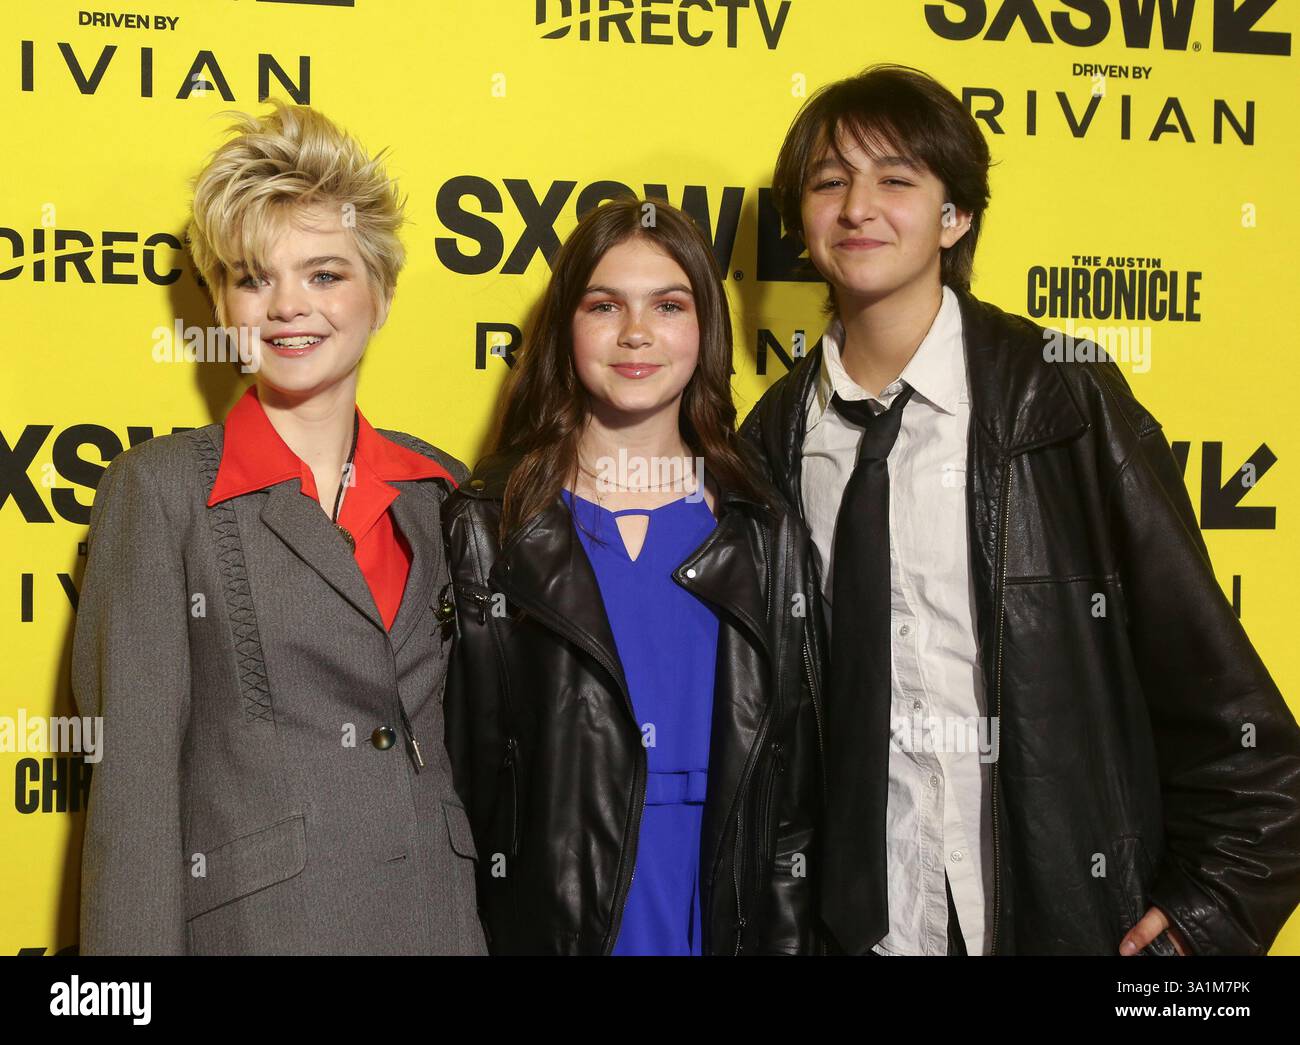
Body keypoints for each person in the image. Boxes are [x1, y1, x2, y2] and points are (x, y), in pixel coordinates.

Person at [741, 63, 1300, 955]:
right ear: (802, 223)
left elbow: (1227, 703)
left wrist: (1205, 919)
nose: (858, 207)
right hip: (860, 929)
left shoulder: (1063, 398)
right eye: (829, 181)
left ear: (953, 216)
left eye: (896, 179)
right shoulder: (770, 440)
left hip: (1061, 919)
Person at [73, 100, 486, 954]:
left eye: (326, 274)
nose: (288, 307)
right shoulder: (159, 492)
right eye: (254, 277)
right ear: (222, 302)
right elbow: (135, 793)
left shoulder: (442, 489)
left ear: (382, 292)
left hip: (440, 925)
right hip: (265, 933)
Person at [443, 196, 823, 955]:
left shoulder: (763, 526)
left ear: (704, 328)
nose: (637, 333)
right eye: (604, 304)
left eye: (669, 305)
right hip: (550, 925)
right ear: (566, 329)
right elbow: (458, 793)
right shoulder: (490, 525)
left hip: (717, 917)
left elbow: (793, 807)